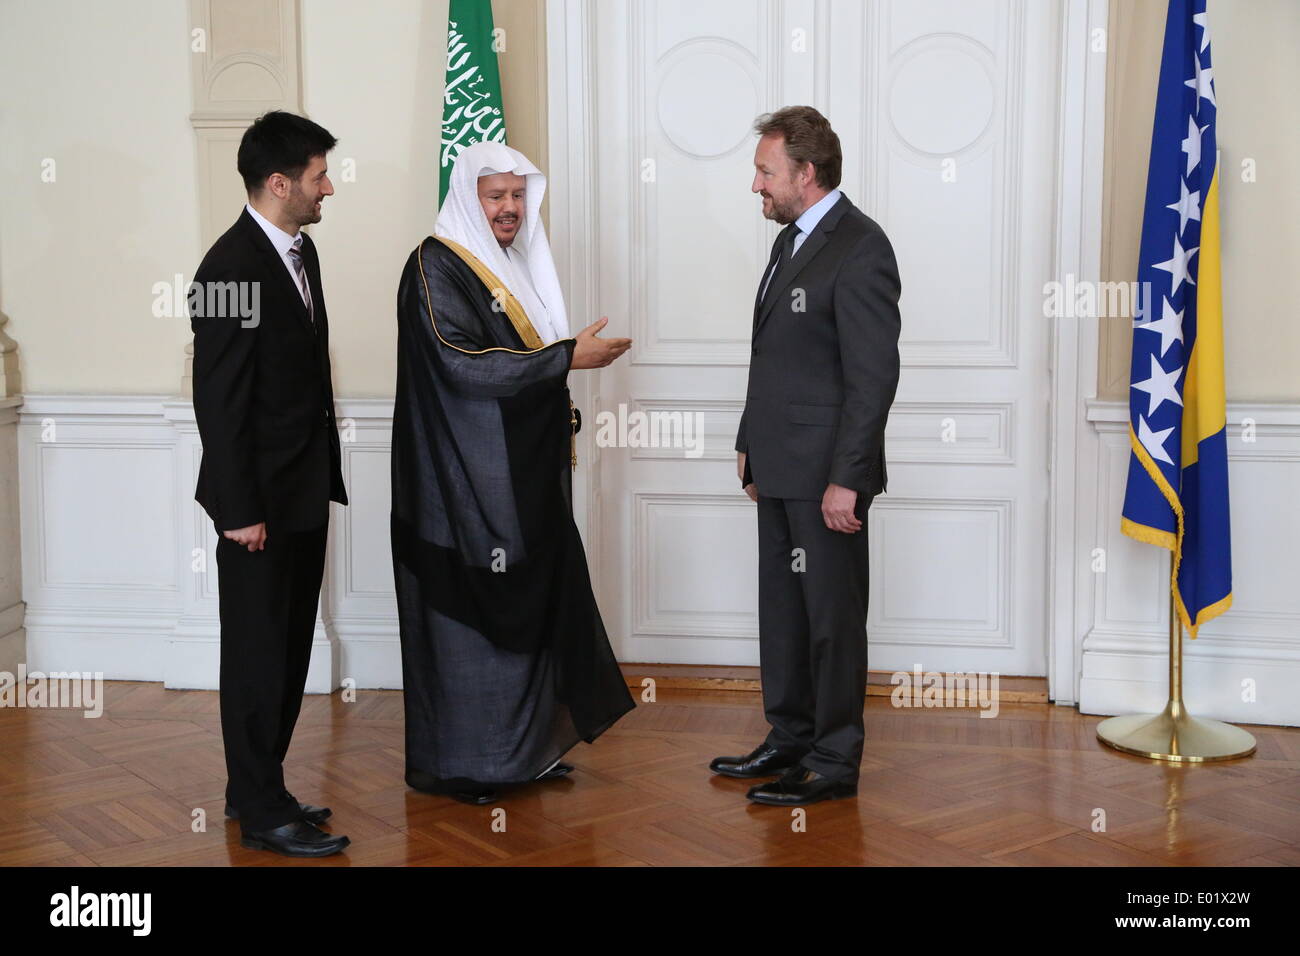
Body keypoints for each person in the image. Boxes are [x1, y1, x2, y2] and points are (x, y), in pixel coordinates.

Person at [391, 141, 635, 805]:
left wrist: (560, 358)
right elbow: (458, 363)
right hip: (460, 484)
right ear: (469, 199)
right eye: (495, 196)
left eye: (517, 195)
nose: (509, 208)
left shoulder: (506, 264)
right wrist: (565, 359)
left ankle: (523, 756)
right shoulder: (435, 265)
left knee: (531, 608)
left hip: (515, 476)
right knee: (472, 619)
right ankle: (468, 766)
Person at [710, 106, 902, 806]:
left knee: (831, 621)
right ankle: (789, 737)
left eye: (765, 172)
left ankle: (834, 759)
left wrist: (846, 480)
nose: (755, 185)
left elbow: (872, 377)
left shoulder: (861, 247)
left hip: (828, 478)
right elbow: (775, 356)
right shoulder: (788, 241)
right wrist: (748, 443)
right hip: (779, 466)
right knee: (785, 615)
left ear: (805, 172)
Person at [190, 110, 351, 856]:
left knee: (286, 651)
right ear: (280, 182)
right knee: (257, 656)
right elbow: (218, 403)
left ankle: (260, 787)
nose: (329, 189)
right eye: (319, 176)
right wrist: (241, 510)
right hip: (257, 509)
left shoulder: (302, 253)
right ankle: (260, 813)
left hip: (302, 495)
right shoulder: (225, 268)